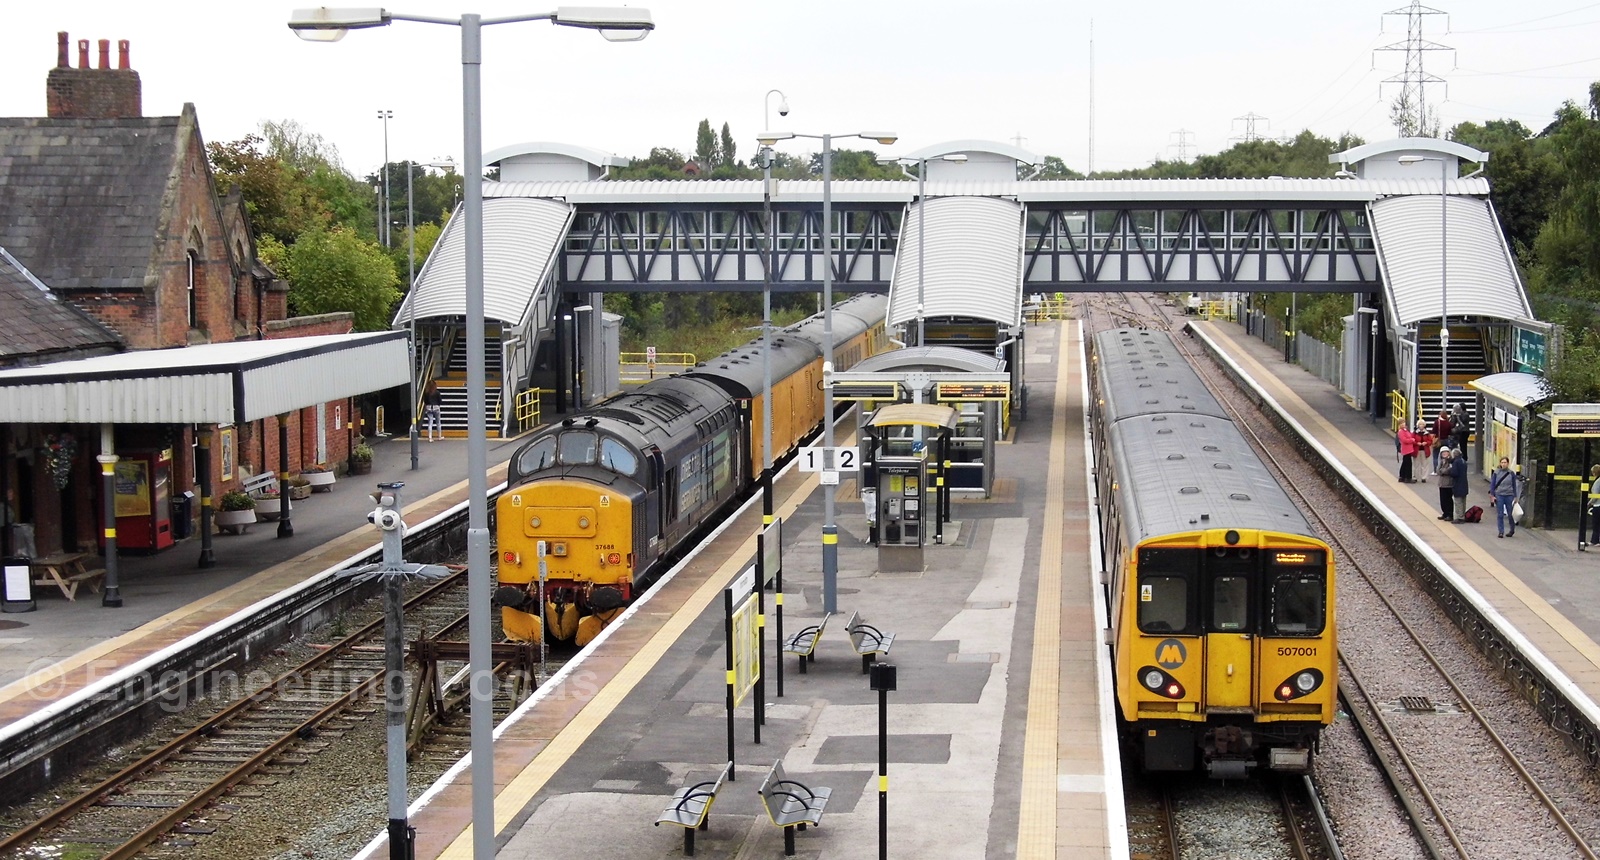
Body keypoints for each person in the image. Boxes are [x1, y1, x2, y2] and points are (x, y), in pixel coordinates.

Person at [1488, 457, 1524, 538]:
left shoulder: (1511, 473)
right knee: (1500, 514)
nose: (1503, 464)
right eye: (1502, 462)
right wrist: (1492, 495)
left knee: (1510, 514)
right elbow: (1493, 484)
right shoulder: (1496, 473)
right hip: (1499, 495)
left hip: (1509, 495)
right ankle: (1501, 531)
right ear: (1500, 463)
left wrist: (1515, 496)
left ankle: (1512, 530)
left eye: (1505, 462)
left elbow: (1514, 485)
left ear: (1508, 463)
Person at [1450, 446, 1470, 522]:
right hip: (1464, 483)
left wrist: (1450, 471)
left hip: (1457, 484)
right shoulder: (1463, 461)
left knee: (1458, 501)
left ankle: (1459, 517)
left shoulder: (1456, 462)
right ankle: (1463, 515)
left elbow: (1454, 473)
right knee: (1463, 500)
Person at [1436, 447, 1456, 520]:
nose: (1444, 454)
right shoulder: (1441, 461)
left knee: (1448, 499)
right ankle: (1445, 513)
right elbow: (1438, 470)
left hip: (1449, 484)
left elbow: (1449, 470)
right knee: (1442, 500)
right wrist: (1442, 471)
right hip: (1441, 483)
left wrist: (1442, 471)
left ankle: (1449, 514)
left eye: (1446, 452)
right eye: (1443, 453)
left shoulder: (1451, 461)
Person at [1432, 410, 1453, 475]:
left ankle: (1435, 470)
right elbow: (1450, 432)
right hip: (1446, 440)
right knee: (1445, 456)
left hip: (1438, 440)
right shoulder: (1448, 423)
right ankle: (1444, 468)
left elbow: (1433, 431)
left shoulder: (1437, 422)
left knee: (1435, 455)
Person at [1586, 465, 1600, 550]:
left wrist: (1589, 503)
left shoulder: (1597, 482)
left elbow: (1595, 496)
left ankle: (1594, 540)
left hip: (1598, 505)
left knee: (1596, 524)